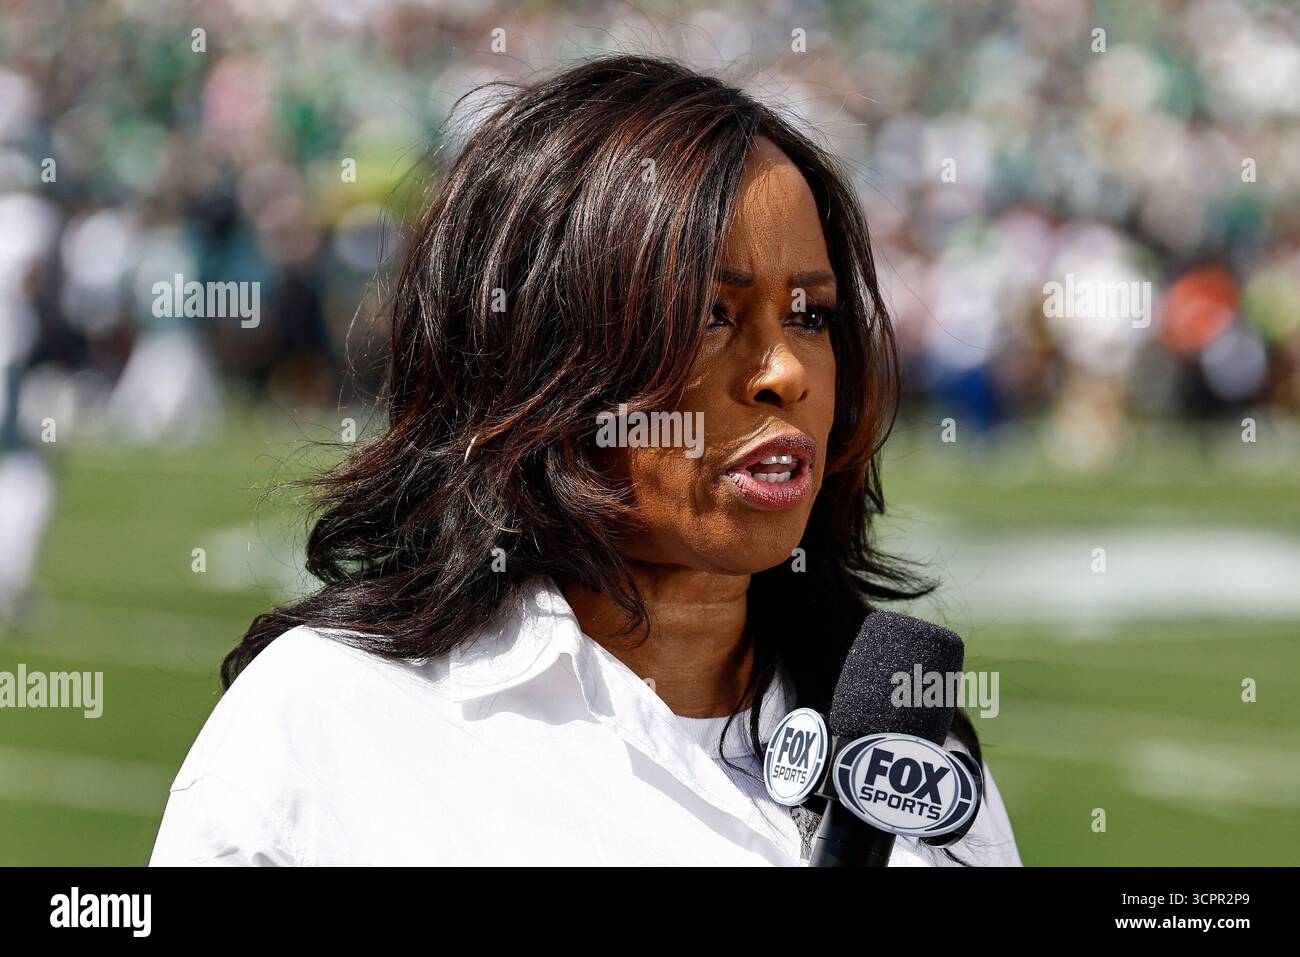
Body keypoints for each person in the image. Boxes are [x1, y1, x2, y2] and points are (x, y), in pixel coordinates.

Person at [150, 54, 1021, 866]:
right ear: (542, 352)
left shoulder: (915, 760)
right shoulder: (326, 719)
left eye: (812, 316)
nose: (786, 372)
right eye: (712, 315)